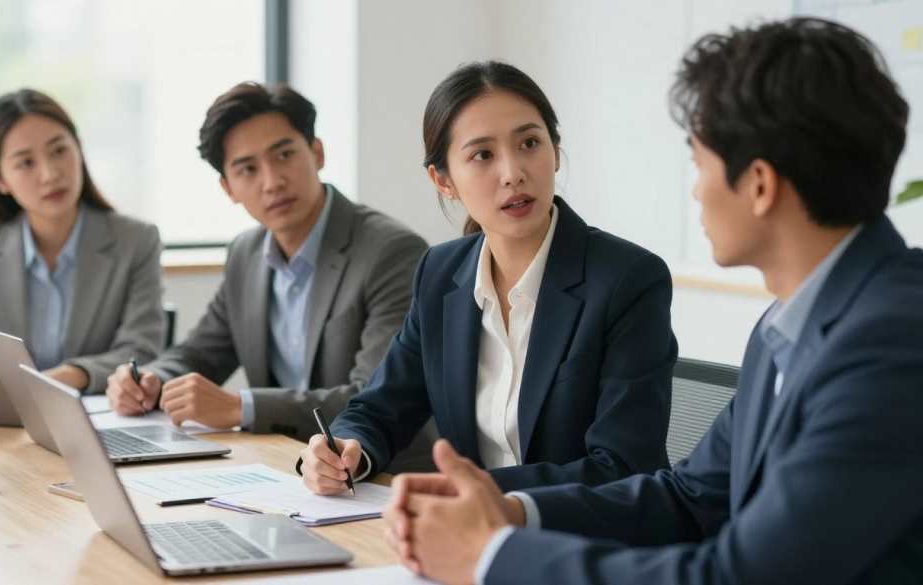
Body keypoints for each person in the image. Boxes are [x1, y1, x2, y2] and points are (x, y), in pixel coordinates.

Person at [382, 18, 923, 585]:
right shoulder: (785, 327)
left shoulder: (893, 343)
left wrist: (490, 558)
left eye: (699, 162)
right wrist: (512, 511)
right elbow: (692, 498)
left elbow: (743, 575)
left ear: (759, 185)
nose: (695, 189)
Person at [298, 61, 677, 495]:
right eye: (483, 155)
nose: (512, 172)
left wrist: (471, 493)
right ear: (443, 181)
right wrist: (346, 449)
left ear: (555, 152)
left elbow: (624, 467)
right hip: (476, 538)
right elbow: (380, 408)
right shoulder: (440, 274)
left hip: (589, 544)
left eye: (529, 143)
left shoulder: (627, 279)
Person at [105, 82, 435, 458]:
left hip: (380, 476)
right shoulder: (246, 252)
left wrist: (239, 407)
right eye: (247, 169)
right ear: (228, 187)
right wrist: (150, 381)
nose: (272, 182)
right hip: (282, 465)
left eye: (284, 155)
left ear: (317, 152)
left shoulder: (390, 252)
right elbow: (200, 354)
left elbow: (374, 397)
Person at [0, 89, 164, 394]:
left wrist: (72, 375)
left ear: (79, 148)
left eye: (59, 150)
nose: (50, 174)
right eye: (25, 162)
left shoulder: (136, 240)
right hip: (1, 422)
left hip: (97, 420)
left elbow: (142, 350)